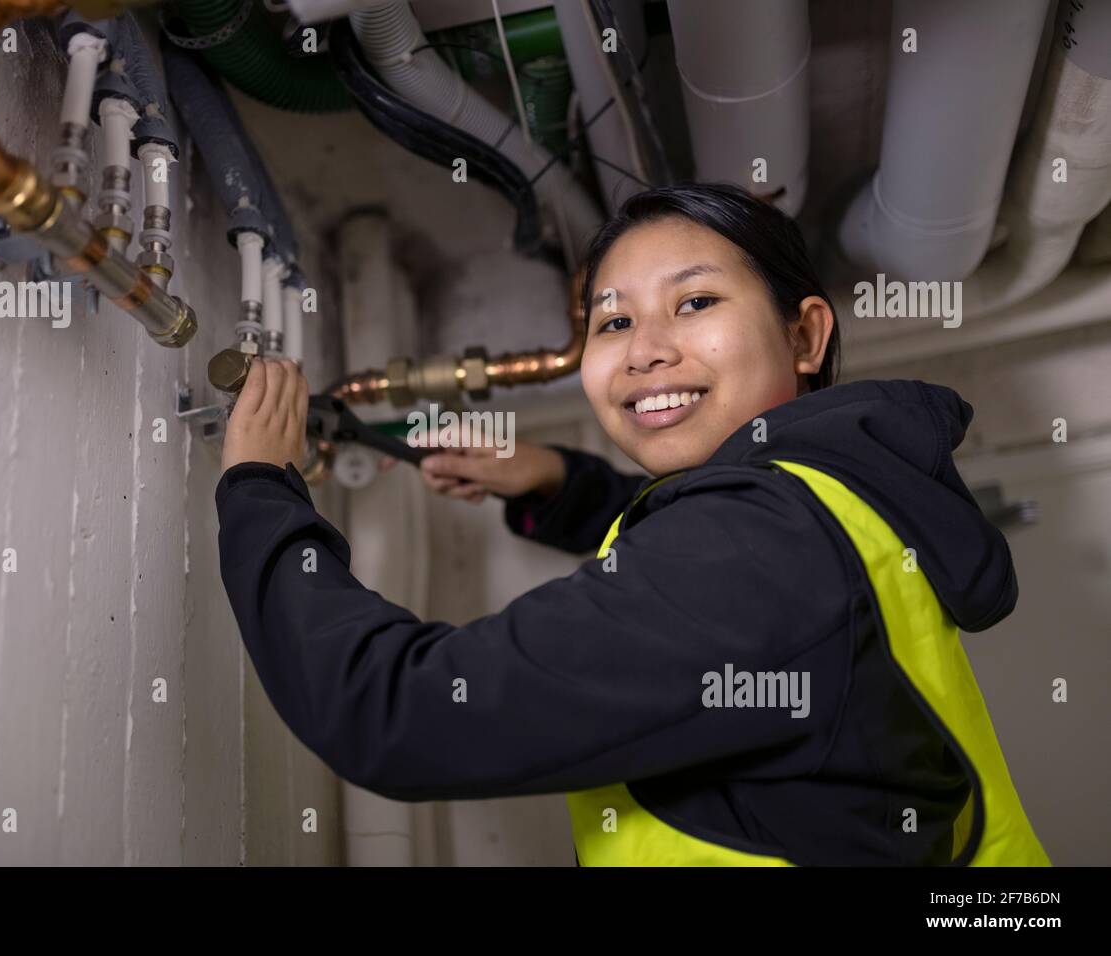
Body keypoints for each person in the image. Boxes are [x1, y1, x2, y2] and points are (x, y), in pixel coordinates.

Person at [215, 183, 1050, 866]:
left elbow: (398, 712)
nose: (644, 349)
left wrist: (260, 490)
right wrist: (557, 480)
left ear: (804, 334)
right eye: (613, 321)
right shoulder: (839, 500)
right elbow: (723, 585)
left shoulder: (759, 543)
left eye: (695, 301)